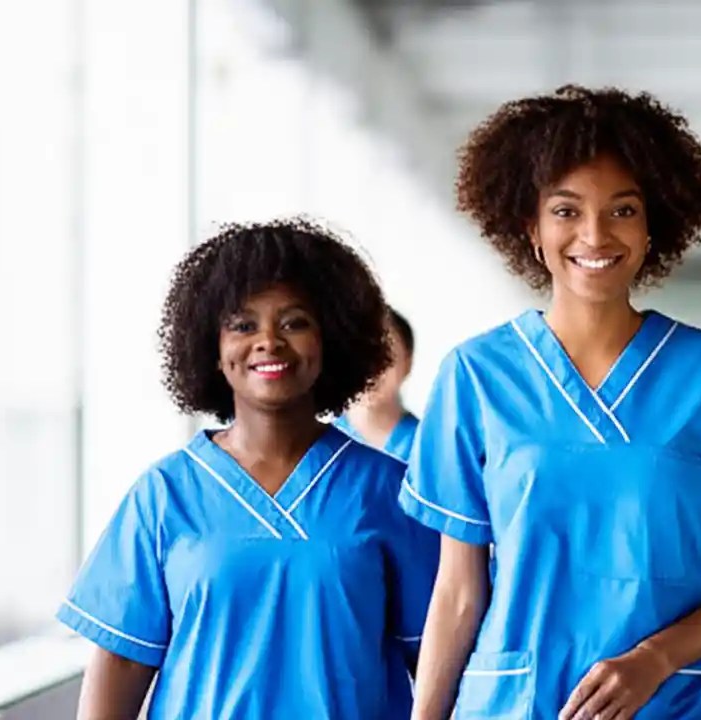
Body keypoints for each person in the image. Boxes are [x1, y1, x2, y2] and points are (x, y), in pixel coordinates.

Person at [399, 85, 701, 720]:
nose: (594, 233)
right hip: (517, 700)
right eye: (566, 211)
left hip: (680, 700)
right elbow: (457, 589)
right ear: (530, 228)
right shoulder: (476, 377)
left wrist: (657, 658)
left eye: (623, 210)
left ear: (652, 228)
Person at [57, 218, 440, 719]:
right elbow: (122, 664)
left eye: (294, 322)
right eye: (243, 325)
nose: (269, 341)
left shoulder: (388, 491)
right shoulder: (165, 494)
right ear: (212, 348)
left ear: (331, 341)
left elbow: (436, 658)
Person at [335, 305, 420, 462]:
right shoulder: (316, 445)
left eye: (385, 353)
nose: (371, 367)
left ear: (408, 363)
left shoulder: (428, 450)